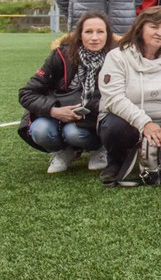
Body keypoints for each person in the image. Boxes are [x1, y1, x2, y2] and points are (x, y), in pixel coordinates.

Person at [97, 6, 161, 186]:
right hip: (131, 124)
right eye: (154, 27)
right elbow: (114, 98)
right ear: (140, 27)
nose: (160, 33)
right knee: (113, 125)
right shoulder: (117, 57)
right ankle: (116, 160)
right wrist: (145, 124)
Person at [18, 11, 115, 173]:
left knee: (73, 132)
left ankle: (99, 149)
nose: (94, 37)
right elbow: (27, 93)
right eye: (88, 32)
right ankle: (66, 151)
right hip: (57, 115)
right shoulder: (61, 55)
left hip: (93, 120)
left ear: (108, 35)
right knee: (40, 130)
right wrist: (54, 110)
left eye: (100, 32)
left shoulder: (117, 57)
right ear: (79, 35)